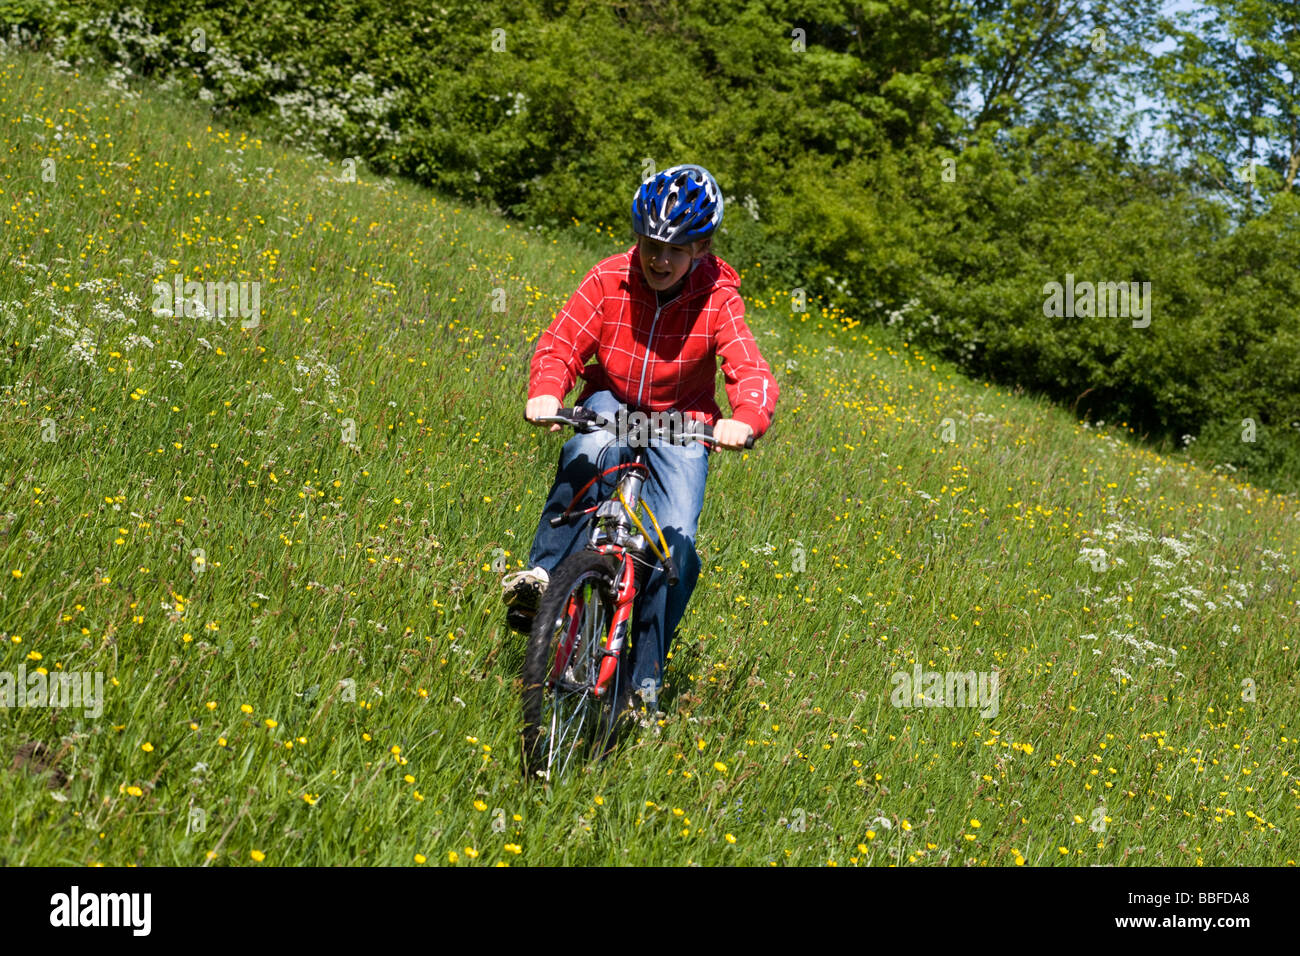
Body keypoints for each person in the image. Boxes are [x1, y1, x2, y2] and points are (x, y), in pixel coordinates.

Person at [502, 164, 778, 714]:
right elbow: (561, 341)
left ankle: (642, 683)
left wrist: (745, 419)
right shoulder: (609, 278)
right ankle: (543, 579)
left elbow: (750, 370)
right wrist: (547, 391)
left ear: (701, 248)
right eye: (651, 243)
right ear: (637, 236)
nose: (660, 259)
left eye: (676, 249)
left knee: (675, 540)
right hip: (612, 400)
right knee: (586, 452)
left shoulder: (718, 299)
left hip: (683, 421)